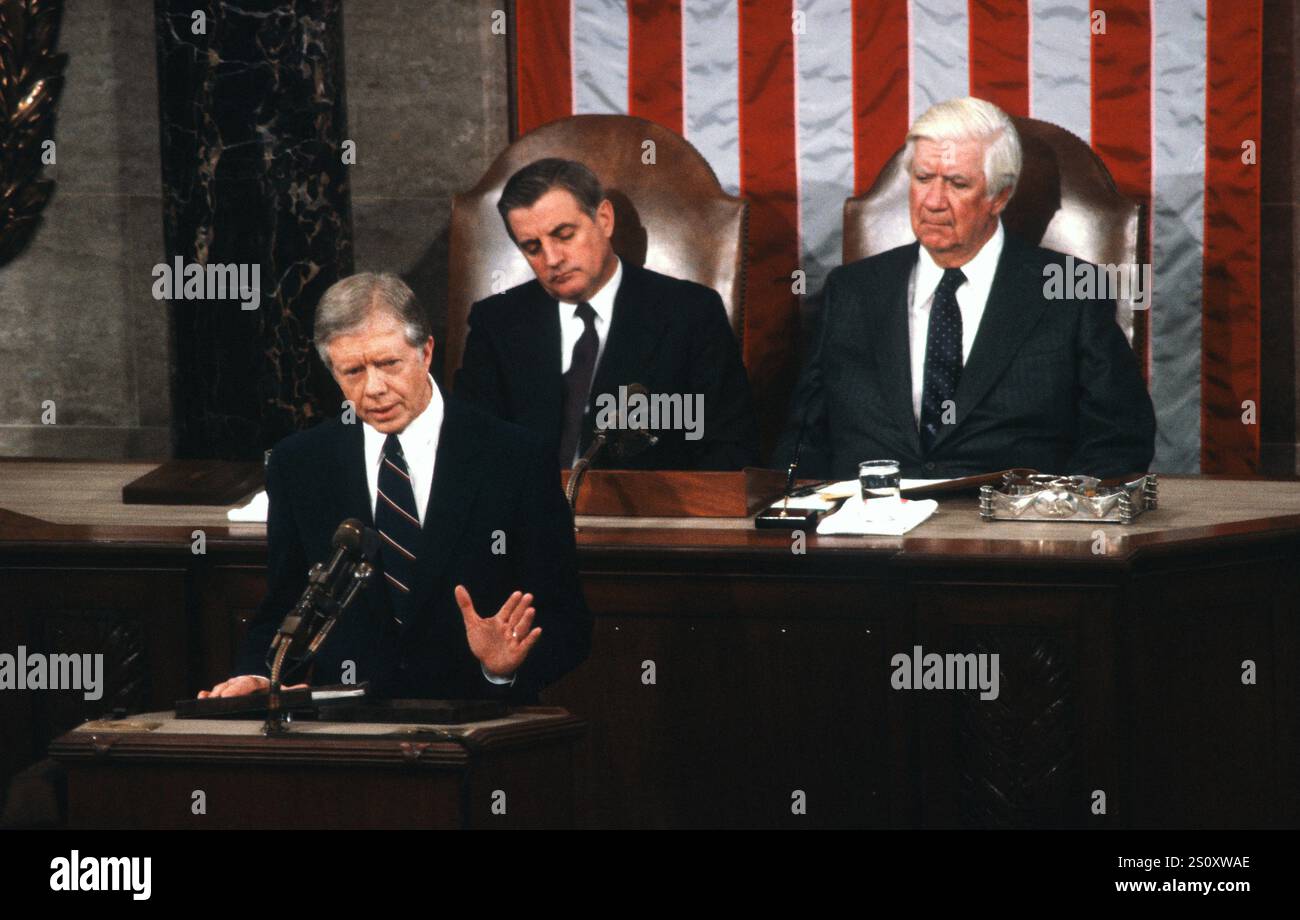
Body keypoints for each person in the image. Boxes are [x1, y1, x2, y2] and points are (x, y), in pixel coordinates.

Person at [200, 273, 591, 701]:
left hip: (477, 727)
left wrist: (501, 669)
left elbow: (566, 622)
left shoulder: (515, 457)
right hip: (349, 739)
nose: (374, 389)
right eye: (352, 371)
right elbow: (287, 604)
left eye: (388, 364)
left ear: (425, 352)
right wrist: (259, 674)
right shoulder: (300, 464)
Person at [775, 97, 1156, 480]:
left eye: (957, 183)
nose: (934, 202)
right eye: (923, 179)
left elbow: (1120, 439)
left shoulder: (1072, 290)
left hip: (1012, 526)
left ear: (999, 196)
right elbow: (803, 439)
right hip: (870, 525)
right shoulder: (851, 291)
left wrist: (1057, 518)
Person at [454, 157, 760, 471]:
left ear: (604, 219)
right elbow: (471, 447)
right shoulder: (497, 322)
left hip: (651, 513)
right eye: (533, 247)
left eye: (564, 234)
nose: (552, 258)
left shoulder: (690, 313)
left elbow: (730, 452)